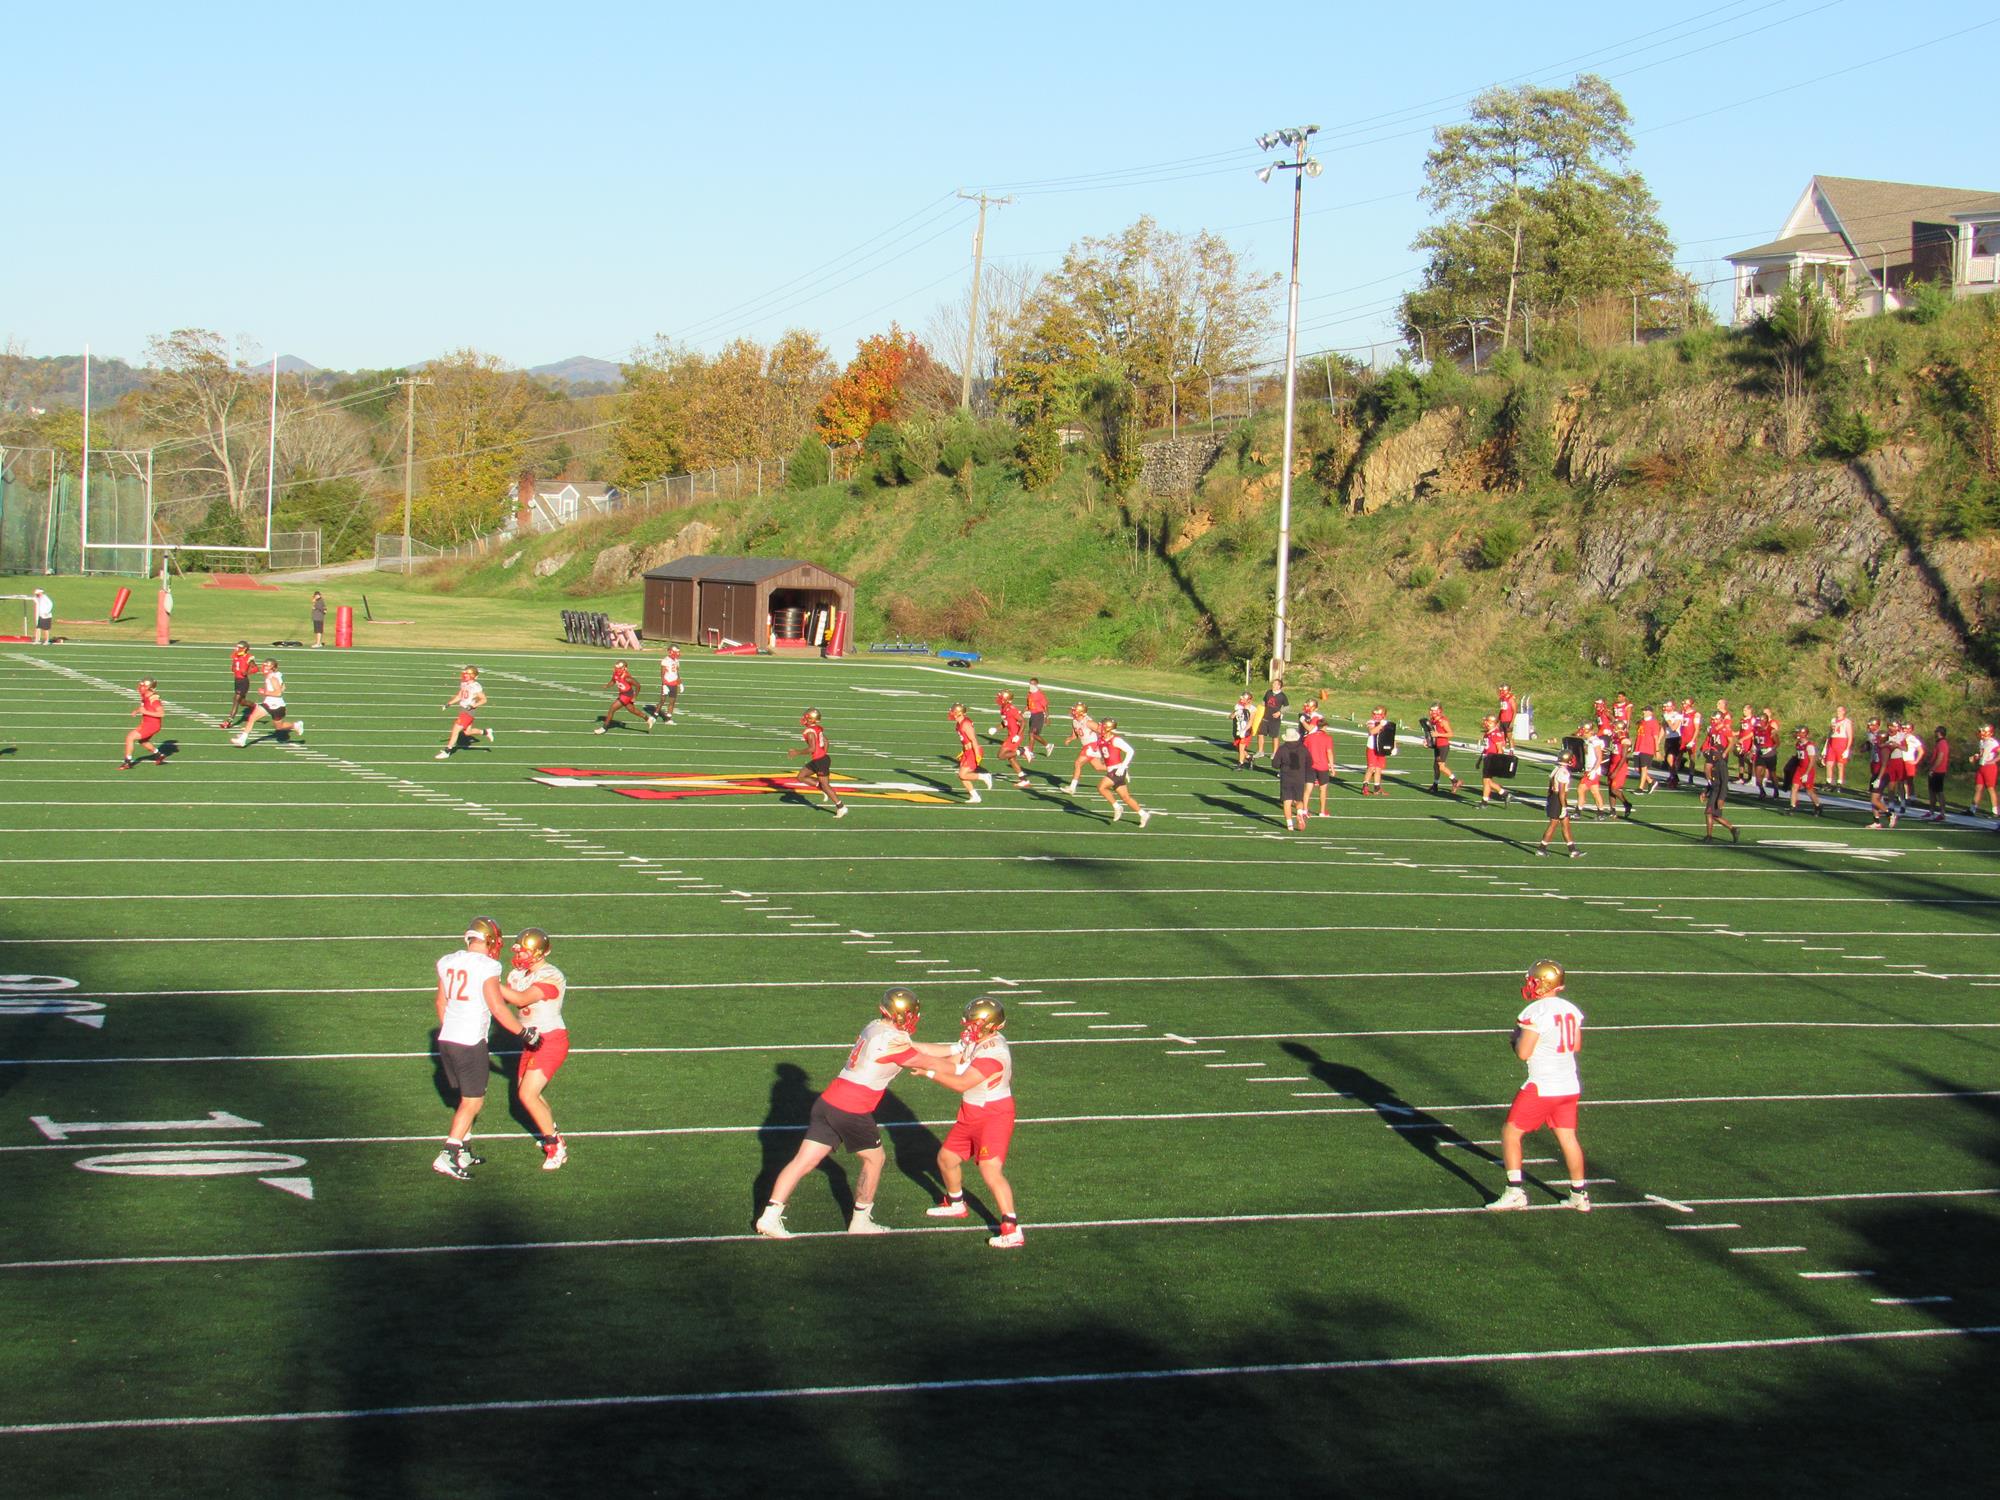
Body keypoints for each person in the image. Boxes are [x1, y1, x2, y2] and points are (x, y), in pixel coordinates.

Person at [756, 987, 940, 1237]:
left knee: (803, 1161)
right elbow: (923, 1060)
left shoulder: (875, 1026)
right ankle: (861, 1221)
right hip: (852, 1107)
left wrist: (955, 1050)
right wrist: (962, 1064)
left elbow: (916, 1049)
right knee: (875, 1159)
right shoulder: (892, 1040)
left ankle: (770, 1217)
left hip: (829, 1101)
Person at [432, 916, 534, 1181]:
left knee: (464, 1097)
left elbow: (440, 1002)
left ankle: (464, 1150)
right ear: (490, 940)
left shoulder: (448, 961)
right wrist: (524, 1033)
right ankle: (448, 1153)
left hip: (447, 1039)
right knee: (473, 1100)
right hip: (469, 1041)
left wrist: (453, 1027)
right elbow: (498, 1006)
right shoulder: (487, 966)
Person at [916, 996, 1023, 1248]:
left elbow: (962, 1081)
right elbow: (953, 1061)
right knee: (947, 1159)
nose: (967, 1025)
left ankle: (1011, 1227)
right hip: (971, 1111)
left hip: (993, 1114)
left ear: (990, 1025)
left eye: (974, 1022)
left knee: (989, 1170)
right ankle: (956, 1203)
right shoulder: (978, 1041)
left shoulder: (994, 1053)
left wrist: (930, 1072)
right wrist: (907, 1050)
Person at [1486, 960, 1591, 1213]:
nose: (1530, 985)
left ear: (1543, 984)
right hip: (1568, 1084)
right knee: (1568, 1137)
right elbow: (1576, 1045)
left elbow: (1523, 1053)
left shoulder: (1536, 1012)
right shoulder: (1571, 1009)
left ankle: (1514, 1192)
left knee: (1511, 1133)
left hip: (1542, 1085)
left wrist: (1515, 1039)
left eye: (1533, 981)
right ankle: (1579, 1194)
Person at [502, 927, 569, 1170]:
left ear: (540, 953)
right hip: (531, 1040)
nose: (520, 956)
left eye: (525, 951)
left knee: (527, 1095)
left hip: (550, 1039)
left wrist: (485, 981)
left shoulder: (551, 975)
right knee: (530, 1093)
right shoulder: (519, 974)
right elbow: (505, 998)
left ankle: (555, 1147)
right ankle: (551, 1132)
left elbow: (520, 999)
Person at [786, 708, 848, 817]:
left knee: (826, 785)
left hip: (820, 761)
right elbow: (826, 741)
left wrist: (797, 752)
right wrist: (823, 754)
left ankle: (841, 807)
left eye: (806, 717)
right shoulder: (816, 728)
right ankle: (821, 787)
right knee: (801, 776)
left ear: (810, 719)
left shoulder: (810, 732)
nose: (804, 719)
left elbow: (812, 748)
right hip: (820, 759)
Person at [230, 659, 305, 746]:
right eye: (264, 665)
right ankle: (242, 739)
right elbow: (283, 687)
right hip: (269, 703)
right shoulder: (273, 675)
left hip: (276, 706)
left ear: (273, 668)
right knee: (253, 718)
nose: (264, 667)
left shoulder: (272, 677)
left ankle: (295, 725)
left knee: (279, 726)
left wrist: (265, 692)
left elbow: (278, 693)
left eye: (267, 666)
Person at [1096, 718, 1150, 826]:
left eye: (1102, 726)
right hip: (1113, 769)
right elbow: (1106, 754)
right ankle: (1143, 814)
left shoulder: (1116, 740)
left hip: (1117, 770)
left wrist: (1123, 767)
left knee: (1101, 787)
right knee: (1126, 797)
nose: (1100, 728)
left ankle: (1117, 807)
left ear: (1108, 728)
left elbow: (1130, 751)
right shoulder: (1101, 739)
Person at [437, 666, 495, 759]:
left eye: (468, 673)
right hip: (463, 709)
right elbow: (460, 695)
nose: (465, 675)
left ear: (474, 676)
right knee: (467, 732)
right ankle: (486, 732)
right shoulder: (464, 683)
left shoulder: (476, 686)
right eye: (465, 673)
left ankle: (447, 751)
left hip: (468, 712)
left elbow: (484, 699)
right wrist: (449, 703)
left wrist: (472, 706)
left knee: (455, 730)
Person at [1536, 751, 1583, 858]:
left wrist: (1549, 799)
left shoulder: (1556, 769)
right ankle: (1541, 848)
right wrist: (1564, 807)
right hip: (1558, 800)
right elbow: (1562, 792)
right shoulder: (1564, 772)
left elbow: (1550, 787)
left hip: (1554, 798)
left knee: (1566, 825)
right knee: (1553, 825)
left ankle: (1572, 850)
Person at [949, 703, 994, 803]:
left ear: (959, 713)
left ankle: (984, 776)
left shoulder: (965, 723)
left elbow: (973, 739)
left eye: (953, 712)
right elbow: (965, 740)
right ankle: (975, 796)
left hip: (973, 751)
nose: (951, 713)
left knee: (963, 774)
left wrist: (977, 754)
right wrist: (963, 751)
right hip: (967, 751)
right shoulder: (959, 723)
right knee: (961, 775)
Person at [121, 678, 166, 769]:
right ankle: (159, 755)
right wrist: (137, 710)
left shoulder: (154, 700)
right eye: (141, 685)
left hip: (151, 725)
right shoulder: (145, 695)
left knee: (130, 737)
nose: (141, 687)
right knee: (143, 741)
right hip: (147, 723)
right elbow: (144, 706)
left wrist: (144, 712)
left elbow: (161, 713)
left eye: (144, 686)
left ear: (150, 688)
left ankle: (127, 762)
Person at [1701, 735, 1739, 843]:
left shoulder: (1721, 765)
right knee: (1715, 815)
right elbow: (1711, 781)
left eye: (1713, 753)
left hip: (1718, 792)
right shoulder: (1713, 763)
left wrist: (1721, 798)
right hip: (1713, 790)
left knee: (1709, 812)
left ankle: (1709, 836)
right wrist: (1705, 791)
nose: (1711, 755)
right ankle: (1733, 829)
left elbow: (1724, 783)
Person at [595, 661, 650, 734]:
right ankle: (647, 718)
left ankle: (604, 728)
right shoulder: (616, 673)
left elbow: (638, 686)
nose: (616, 669)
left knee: (612, 709)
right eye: (616, 668)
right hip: (622, 694)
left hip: (627, 695)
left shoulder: (627, 677)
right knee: (632, 710)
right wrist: (607, 685)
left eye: (619, 668)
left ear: (624, 668)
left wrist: (635, 696)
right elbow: (613, 681)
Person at [1273, 723, 1310, 831]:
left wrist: (1282, 764)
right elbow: (1309, 762)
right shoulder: (1303, 748)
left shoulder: (1282, 748)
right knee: (1299, 800)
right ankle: (1299, 813)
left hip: (1286, 777)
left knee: (1287, 801)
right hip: (1299, 777)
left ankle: (1289, 824)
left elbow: (1275, 764)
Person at [1063, 704, 1104, 796]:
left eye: (1075, 710)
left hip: (1092, 745)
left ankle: (1072, 788)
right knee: (1098, 767)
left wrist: (1102, 745)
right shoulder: (1075, 721)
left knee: (1078, 763)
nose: (1073, 712)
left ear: (1081, 712)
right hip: (1086, 745)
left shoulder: (1088, 722)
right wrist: (1070, 739)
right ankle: (1119, 768)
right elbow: (1075, 735)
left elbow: (1102, 731)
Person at [1302, 714, 1335, 820]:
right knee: (1323, 790)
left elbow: (1304, 751)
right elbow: (1329, 752)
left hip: (1310, 766)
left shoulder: (1309, 737)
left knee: (1308, 789)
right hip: (1323, 766)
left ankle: (1305, 810)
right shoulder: (1327, 738)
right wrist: (1332, 768)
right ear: (1324, 727)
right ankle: (1322, 811)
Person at [994, 691, 1030, 788]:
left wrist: (1018, 735)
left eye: (1001, 698)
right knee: (1011, 758)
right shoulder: (1004, 708)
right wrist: (996, 729)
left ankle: (1023, 751)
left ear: (1006, 699)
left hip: (1015, 736)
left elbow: (1023, 721)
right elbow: (1006, 722)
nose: (999, 699)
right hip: (1012, 735)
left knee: (1001, 755)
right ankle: (1024, 780)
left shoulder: (1011, 709)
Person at [1426, 703, 1463, 795]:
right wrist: (1427, 741)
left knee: (1441, 767)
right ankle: (1435, 785)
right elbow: (1431, 733)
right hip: (1437, 745)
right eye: (1431, 710)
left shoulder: (1443, 721)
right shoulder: (1433, 720)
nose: (1431, 712)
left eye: (1433, 710)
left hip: (1443, 746)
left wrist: (1438, 734)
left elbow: (1450, 734)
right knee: (1436, 767)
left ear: (1438, 711)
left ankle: (1455, 781)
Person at [1786, 726, 1823, 816]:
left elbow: (1812, 761)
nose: (1796, 734)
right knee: (1794, 787)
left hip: (1808, 770)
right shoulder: (1798, 744)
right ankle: (1792, 807)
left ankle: (1818, 805)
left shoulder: (1809, 746)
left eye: (1798, 732)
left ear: (1803, 734)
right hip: (1799, 768)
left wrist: (1806, 773)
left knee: (1809, 791)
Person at [1478, 715, 1512, 805]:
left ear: (1494, 723)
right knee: (1487, 781)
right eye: (1486, 721)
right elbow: (1486, 748)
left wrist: (1498, 761)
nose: (1486, 723)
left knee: (1486, 781)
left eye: (1488, 721)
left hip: (1492, 759)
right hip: (1487, 758)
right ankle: (1504, 793)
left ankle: (1485, 801)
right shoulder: (1487, 733)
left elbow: (1500, 749)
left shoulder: (1495, 734)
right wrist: (1479, 760)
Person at [1969, 724, 1999, 822]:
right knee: (1978, 788)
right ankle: (1972, 809)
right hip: (1982, 766)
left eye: (1983, 731)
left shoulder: (1993, 742)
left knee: (1990, 788)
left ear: (1989, 732)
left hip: (1989, 767)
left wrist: (1994, 761)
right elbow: (1982, 754)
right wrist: (1975, 757)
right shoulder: (1982, 742)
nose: (1981, 733)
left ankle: (1995, 811)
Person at [223, 640, 256, 729]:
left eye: (239, 648)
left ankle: (229, 721)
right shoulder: (235, 655)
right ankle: (255, 707)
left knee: (236, 699)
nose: (237, 649)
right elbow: (234, 666)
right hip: (237, 680)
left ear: (245, 649)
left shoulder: (248, 657)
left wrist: (247, 672)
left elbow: (255, 669)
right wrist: (233, 668)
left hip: (243, 681)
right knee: (242, 702)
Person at [1361, 706, 1391, 797]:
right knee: (1371, 768)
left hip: (1381, 748)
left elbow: (1390, 735)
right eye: (1375, 714)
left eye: (1379, 714)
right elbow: (1372, 732)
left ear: (1384, 715)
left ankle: (1377, 788)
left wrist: (1393, 747)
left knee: (1379, 769)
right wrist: (1381, 725)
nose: (1376, 716)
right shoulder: (1371, 722)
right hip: (1372, 748)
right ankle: (1365, 786)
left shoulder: (1386, 723)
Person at [1257, 678, 1288, 761]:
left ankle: (1275, 753)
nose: (1273, 685)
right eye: (1273, 684)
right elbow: (1264, 702)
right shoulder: (1268, 692)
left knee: (1274, 736)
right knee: (1260, 733)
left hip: (1275, 719)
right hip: (1265, 717)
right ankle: (1260, 751)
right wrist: (1260, 710)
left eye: (1275, 684)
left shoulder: (1282, 696)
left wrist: (1279, 713)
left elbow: (1287, 707)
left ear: (1279, 686)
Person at [1924, 725, 1951, 822]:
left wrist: (1933, 769)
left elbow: (1940, 757)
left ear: (1939, 733)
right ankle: (1931, 810)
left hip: (1939, 771)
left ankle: (1942, 813)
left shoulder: (1942, 743)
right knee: (1932, 791)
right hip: (1935, 769)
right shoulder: (1939, 743)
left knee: (1939, 792)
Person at [1633, 707, 1663, 795]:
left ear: (1650, 712)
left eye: (1645, 710)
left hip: (1647, 747)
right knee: (1637, 768)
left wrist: (1657, 750)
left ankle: (1640, 788)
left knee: (1643, 768)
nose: (1643, 712)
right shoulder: (1642, 721)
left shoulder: (1654, 723)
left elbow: (1655, 737)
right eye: (1643, 710)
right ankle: (1651, 781)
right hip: (1638, 746)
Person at [1826, 706, 1854, 792]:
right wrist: (1826, 746)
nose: (1838, 712)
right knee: (1829, 763)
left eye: (1840, 711)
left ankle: (1839, 783)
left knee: (1840, 764)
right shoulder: (1833, 720)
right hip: (1832, 742)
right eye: (1837, 710)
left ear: (1844, 711)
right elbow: (1830, 733)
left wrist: (1847, 749)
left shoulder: (1847, 722)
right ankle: (1829, 782)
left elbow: (1850, 736)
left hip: (1842, 743)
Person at [1024, 677, 1050, 758]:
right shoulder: (1029, 693)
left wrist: (1047, 717)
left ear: (1036, 684)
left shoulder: (1039, 694)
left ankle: (1046, 746)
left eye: (1033, 684)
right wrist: (1021, 712)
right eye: (1030, 683)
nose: (1031, 685)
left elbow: (1045, 706)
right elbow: (1029, 705)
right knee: (1031, 734)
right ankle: (1031, 752)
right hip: (1033, 715)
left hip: (1039, 715)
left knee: (1032, 734)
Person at [655, 646, 682, 723]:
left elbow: (677, 673)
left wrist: (680, 683)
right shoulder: (665, 661)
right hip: (667, 683)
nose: (678, 653)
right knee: (662, 701)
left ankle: (668, 719)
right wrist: (664, 685)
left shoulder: (676, 661)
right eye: (676, 651)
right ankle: (655, 715)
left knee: (672, 702)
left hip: (674, 683)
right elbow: (662, 674)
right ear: (671, 652)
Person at [1230, 692, 1256, 768]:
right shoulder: (1238, 706)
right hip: (1238, 729)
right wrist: (1235, 712)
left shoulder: (1252, 709)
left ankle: (1240, 764)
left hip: (1247, 730)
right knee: (1238, 747)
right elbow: (1230, 717)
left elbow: (1250, 721)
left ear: (1249, 700)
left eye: (1244, 698)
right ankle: (1249, 758)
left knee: (1241, 747)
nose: (1241, 700)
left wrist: (1244, 730)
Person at [1497, 684, 1516, 750]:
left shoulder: (1511, 699)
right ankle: (1503, 748)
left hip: (1508, 720)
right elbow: (1501, 710)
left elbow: (1515, 711)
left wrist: (1512, 722)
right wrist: (1498, 719)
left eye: (1503, 690)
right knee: (1502, 736)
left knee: (1509, 736)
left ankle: (1512, 750)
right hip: (1502, 720)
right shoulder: (1502, 699)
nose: (1502, 692)